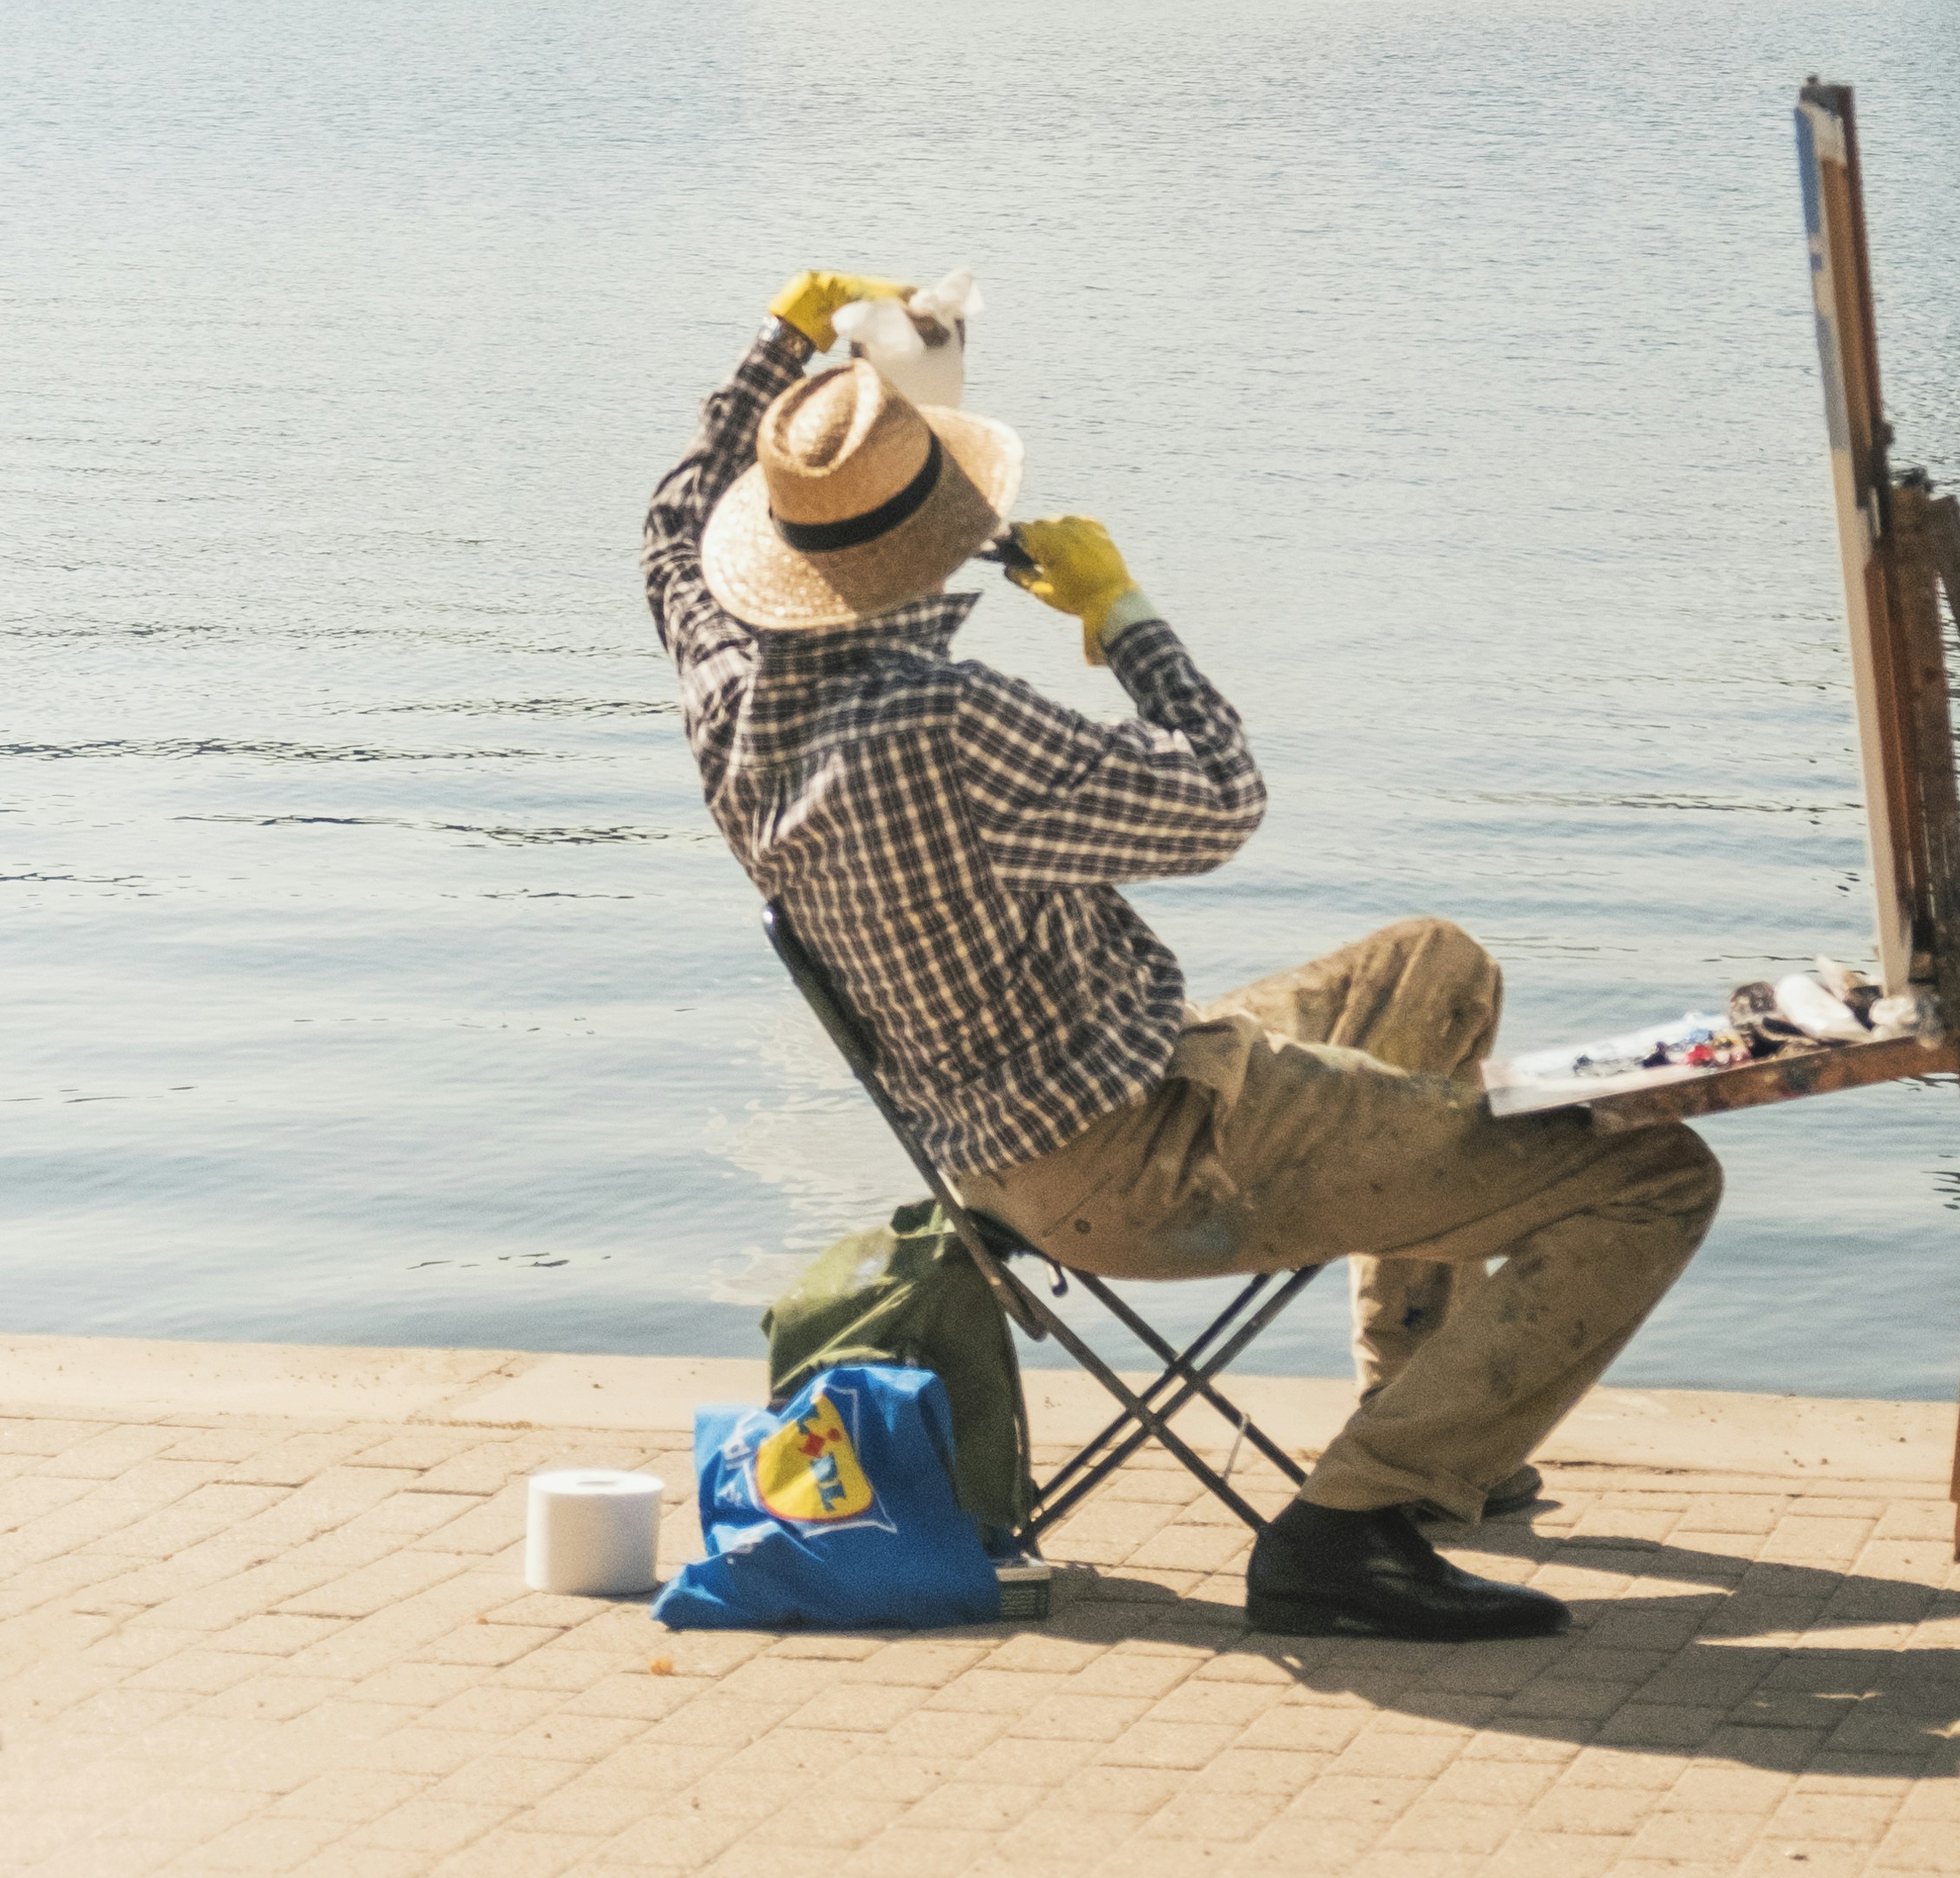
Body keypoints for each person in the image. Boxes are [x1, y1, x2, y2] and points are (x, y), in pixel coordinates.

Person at [644, 267, 1722, 1645]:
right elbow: (1223, 795)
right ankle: (1355, 1525)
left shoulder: (728, 686)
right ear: (948, 543)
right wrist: (1125, 616)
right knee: (1653, 1171)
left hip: (1005, 1134)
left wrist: (787, 347)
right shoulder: (945, 723)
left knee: (1434, 964)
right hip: (1141, 1158)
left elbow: (672, 525)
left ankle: (1432, 1421)